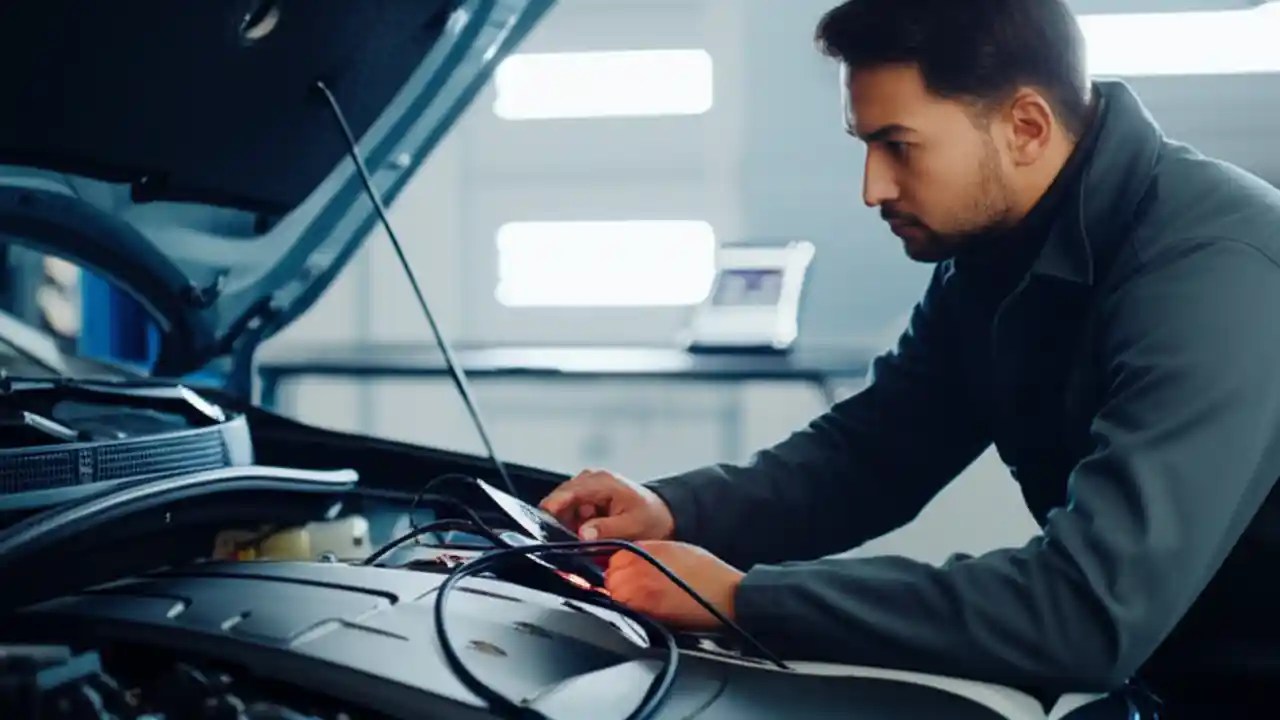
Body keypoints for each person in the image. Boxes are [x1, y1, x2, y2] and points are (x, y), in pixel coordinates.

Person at [539, 0, 1280, 715]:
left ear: (1026, 126)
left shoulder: (1218, 272)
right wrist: (675, 512)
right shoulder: (996, 256)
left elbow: (1083, 611)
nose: (873, 188)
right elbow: (869, 459)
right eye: (864, 145)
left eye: (899, 146)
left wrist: (737, 598)